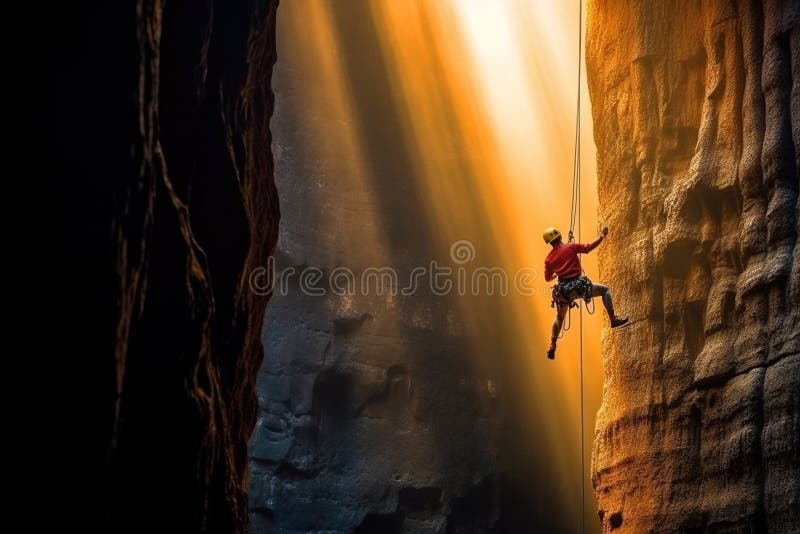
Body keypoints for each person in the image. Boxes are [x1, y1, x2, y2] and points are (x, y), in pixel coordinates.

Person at [543, 226, 628, 360]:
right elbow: (588, 248)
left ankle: (553, 344)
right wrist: (602, 236)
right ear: (559, 236)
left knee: (559, 318)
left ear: (549, 242)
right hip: (579, 287)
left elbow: (548, 278)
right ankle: (613, 319)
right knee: (604, 290)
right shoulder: (570, 247)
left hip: (564, 292)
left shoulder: (548, 259)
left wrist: (557, 273)